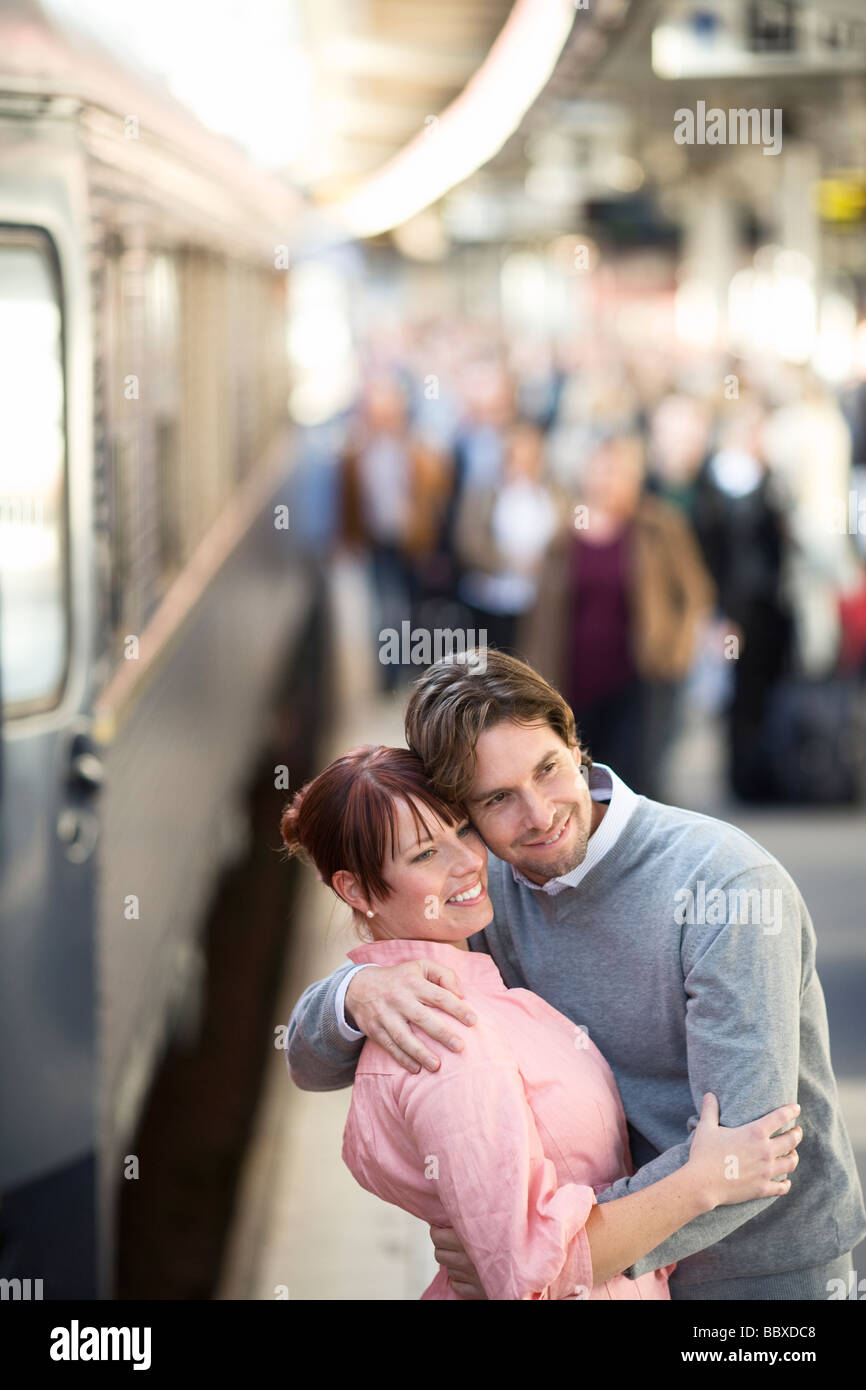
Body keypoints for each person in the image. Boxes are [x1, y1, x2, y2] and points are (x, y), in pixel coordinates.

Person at [287, 649, 866, 1300]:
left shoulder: (725, 888)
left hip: (758, 1277)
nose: (538, 815)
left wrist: (533, 1245)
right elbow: (311, 1064)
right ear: (464, 810)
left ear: (575, 743)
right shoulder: (481, 886)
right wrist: (354, 993)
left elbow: (749, 1161)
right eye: (497, 798)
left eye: (547, 769)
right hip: (613, 1276)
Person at [518, 429, 715, 800]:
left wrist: (676, 650)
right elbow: (542, 613)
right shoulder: (564, 531)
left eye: (617, 471)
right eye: (600, 470)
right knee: (582, 785)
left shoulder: (659, 525)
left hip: (640, 675)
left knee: (638, 781)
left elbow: (694, 593)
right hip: (574, 678)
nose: (608, 480)